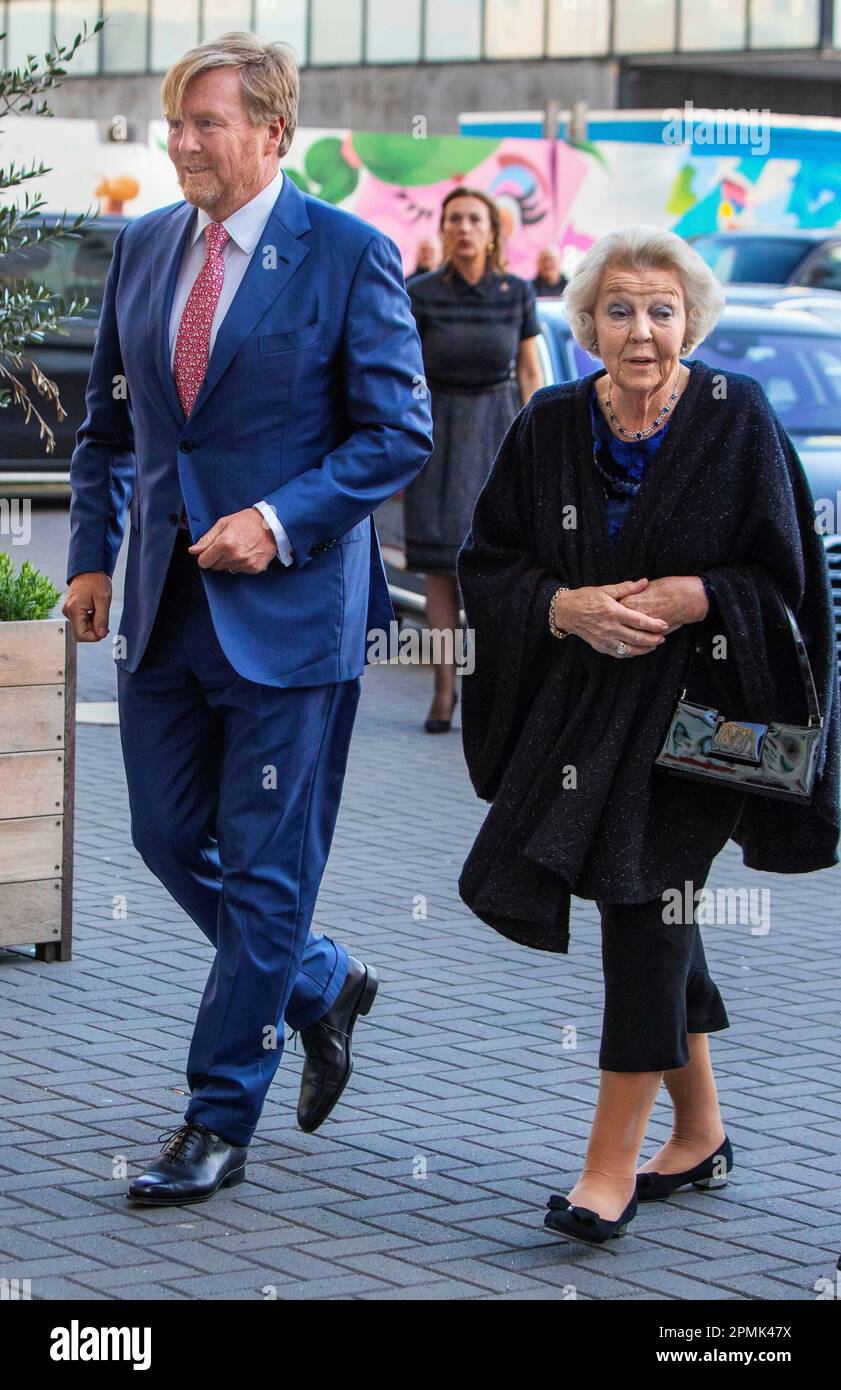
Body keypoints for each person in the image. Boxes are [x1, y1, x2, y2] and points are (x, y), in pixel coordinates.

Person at [61, 31, 432, 1206]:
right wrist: (87, 561)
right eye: (174, 122)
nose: (181, 144)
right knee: (165, 840)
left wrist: (280, 515)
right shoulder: (144, 247)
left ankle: (217, 1114)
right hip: (165, 614)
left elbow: (395, 433)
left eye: (205, 123)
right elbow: (109, 431)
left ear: (273, 133)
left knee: (267, 876)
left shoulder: (350, 254)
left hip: (292, 616)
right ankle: (319, 981)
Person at [456, 225, 840, 1247]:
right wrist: (561, 608)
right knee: (659, 907)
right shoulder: (546, 425)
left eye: (661, 310)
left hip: (711, 720)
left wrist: (697, 593)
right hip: (587, 717)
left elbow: (787, 582)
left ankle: (605, 1166)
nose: (641, 330)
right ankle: (701, 1131)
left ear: (690, 322)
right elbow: (486, 562)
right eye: (618, 309)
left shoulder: (735, 418)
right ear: (585, 323)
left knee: (642, 909)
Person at [403, 188, 543, 733]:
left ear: (492, 232)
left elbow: (530, 374)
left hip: (497, 431)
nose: (463, 228)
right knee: (441, 571)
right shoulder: (419, 293)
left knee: (492, 570)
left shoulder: (517, 293)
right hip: (437, 435)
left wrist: (540, 443)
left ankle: (490, 694)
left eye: (474, 219)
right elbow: (404, 372)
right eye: (454, 219)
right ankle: (443, 693)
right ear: (443, 229)